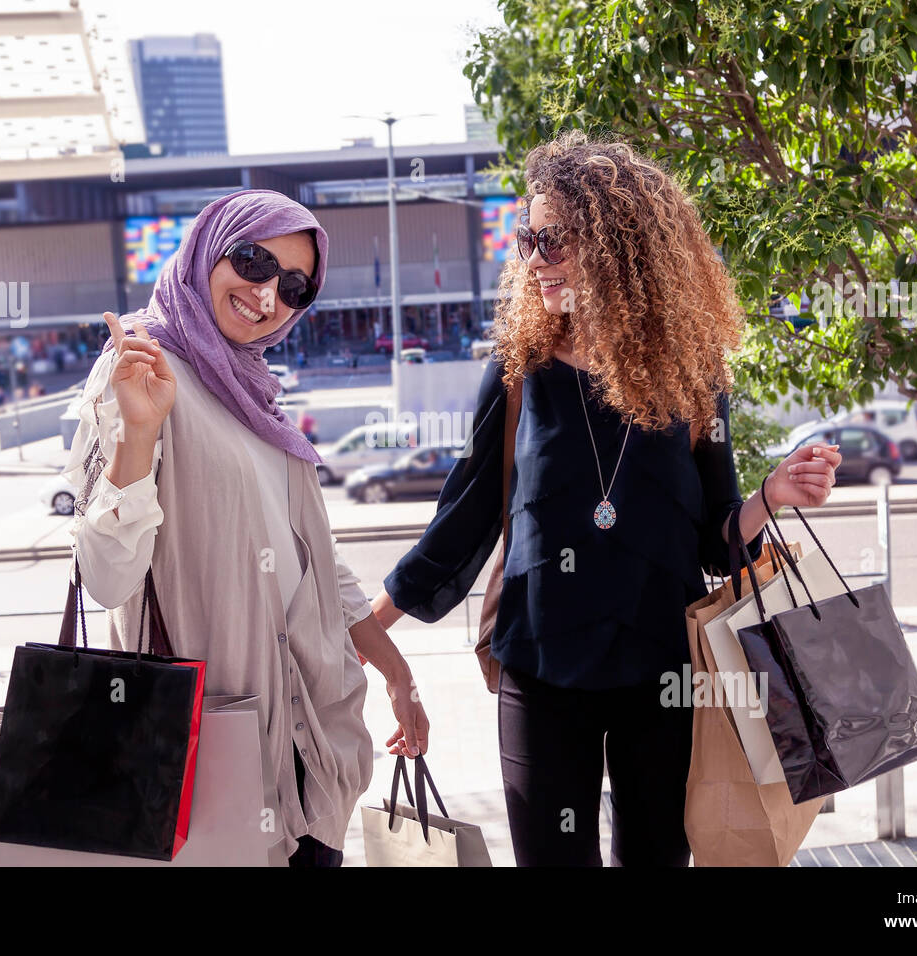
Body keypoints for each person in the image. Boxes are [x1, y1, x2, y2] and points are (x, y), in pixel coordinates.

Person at [370, 130, 843, 867]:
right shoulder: (517, 371)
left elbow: (715, 542)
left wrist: (770, 495)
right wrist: (368, 627)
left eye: (553, 239)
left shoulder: (693, 376)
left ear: (617, 241)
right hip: (539, 664)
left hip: (662, 671)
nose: (534, 258)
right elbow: (464, 515)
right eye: (526, 238)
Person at [61, 189, 427, 868]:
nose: (267, 295)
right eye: (254, 261)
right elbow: (108, 581)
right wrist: (137, 436)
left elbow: (316, 566)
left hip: (318, 760)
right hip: (209, 768)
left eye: (293, 287)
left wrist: (397, 672)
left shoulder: (253, 386)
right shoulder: (139, 367)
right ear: (210, 246)